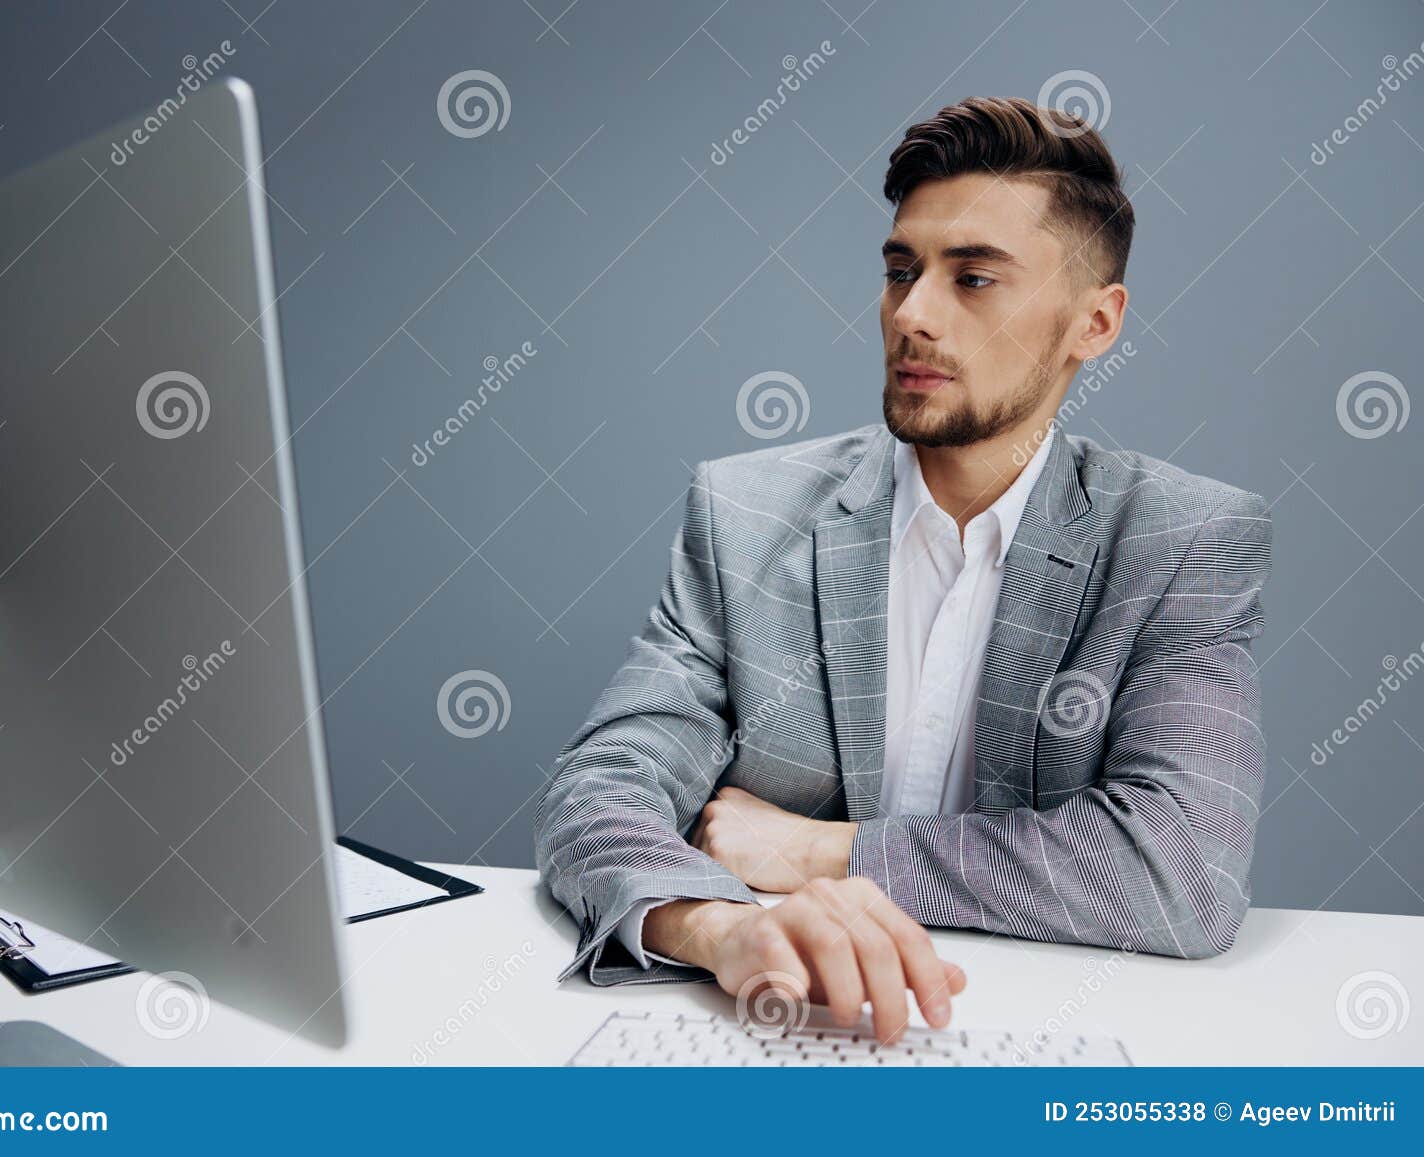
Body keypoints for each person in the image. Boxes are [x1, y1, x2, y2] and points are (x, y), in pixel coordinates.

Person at [534, 96, 1273, 1045]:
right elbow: (603, 783)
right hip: (778, 1027)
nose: (911, 314)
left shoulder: (1180, 541)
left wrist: (832, 853)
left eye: (973, 279)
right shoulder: (745, 513)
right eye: (899, 271)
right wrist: (724, 928)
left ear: (1094, 324)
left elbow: (1180, 873)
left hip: (1056, 1045)